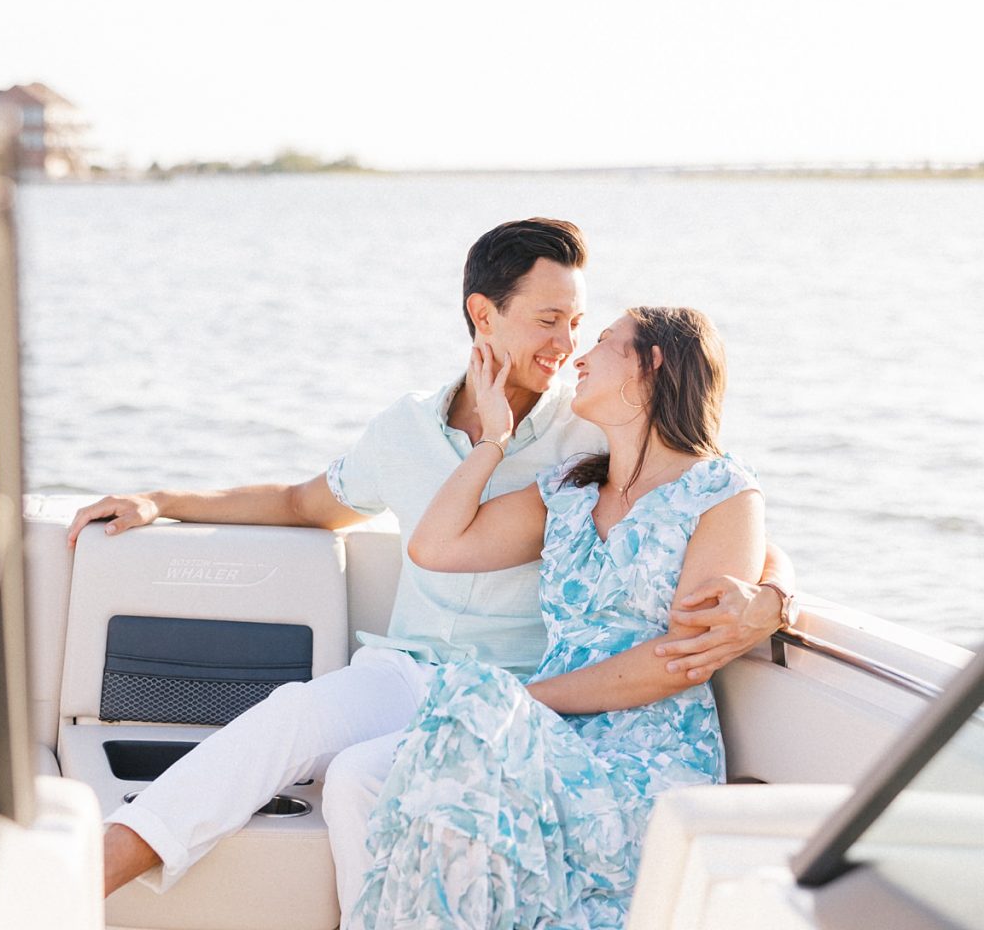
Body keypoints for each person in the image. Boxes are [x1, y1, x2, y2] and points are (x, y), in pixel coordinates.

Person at [66, 219, 795, 910]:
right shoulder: (411, 429)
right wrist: (162, 499)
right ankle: (71, 884)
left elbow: (710, 510)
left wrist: (776, 596)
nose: (568, 345)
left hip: (520, 687)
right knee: (290, 717)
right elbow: (302, 503)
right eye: (549, 321)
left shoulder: (594, 426)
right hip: (410, 672)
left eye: (580, 324)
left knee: (361, 775)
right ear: (485, 314)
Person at [350, 307, 758, 929]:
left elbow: (680, 659)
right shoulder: (567, 494)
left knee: (468, 712)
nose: (580, 357)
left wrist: (520, 702)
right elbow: (435, 548)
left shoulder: (722, 492)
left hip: (647, 757)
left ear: (652, 365)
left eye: (603, 342)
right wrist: (494, 437)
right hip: (553, 736)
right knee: (455, 735)